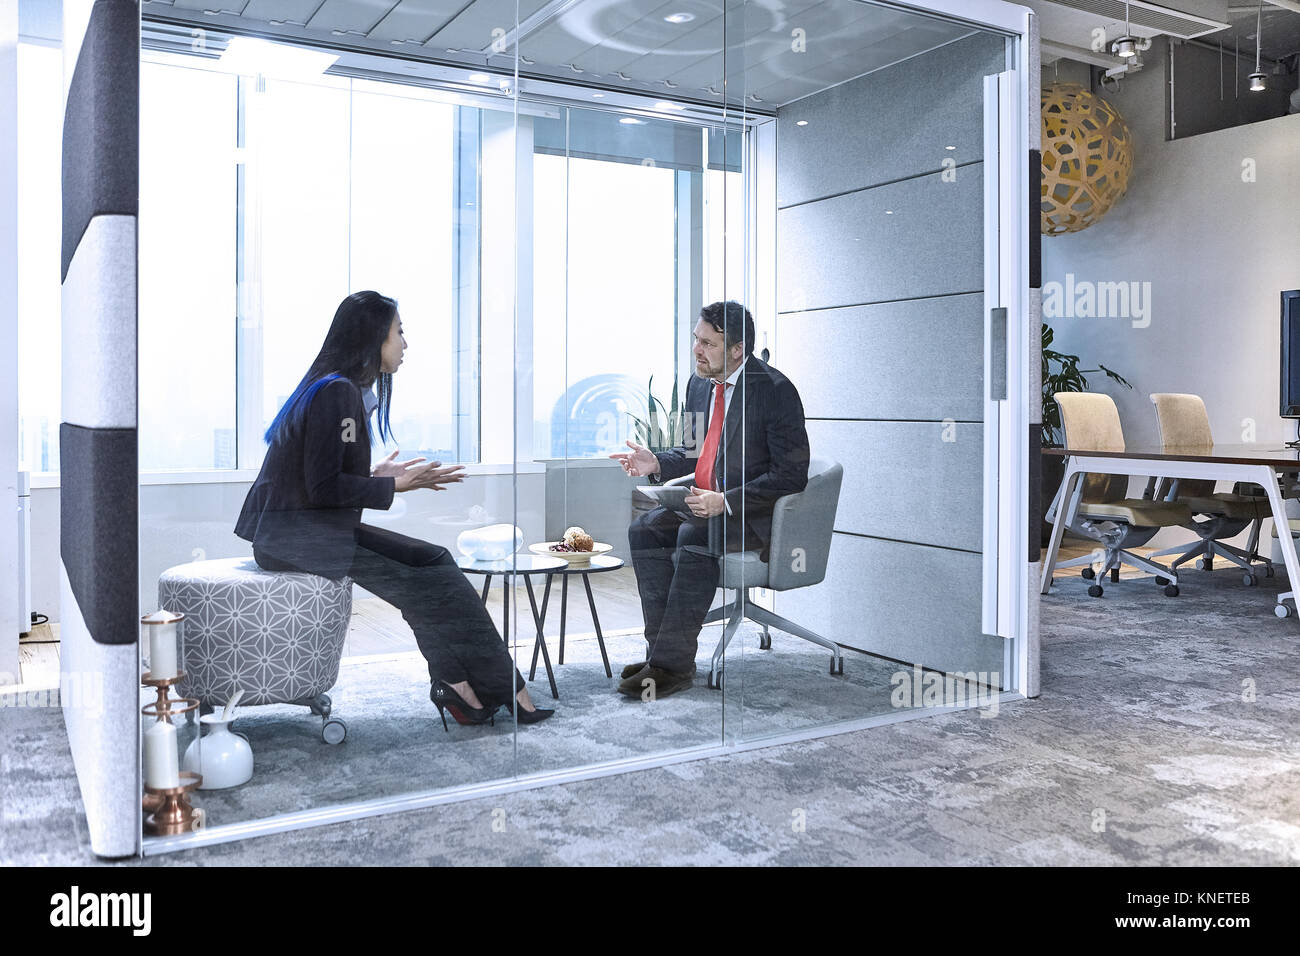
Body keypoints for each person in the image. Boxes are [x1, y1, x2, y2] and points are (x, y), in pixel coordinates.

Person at [234, 291, 553, 729]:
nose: (405, 343)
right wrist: (392, 483)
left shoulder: (338, 389)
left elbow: (319, 476)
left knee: (433, 565)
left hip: (298, 533)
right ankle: (505, 690)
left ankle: (460, 689)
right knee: (430, 576)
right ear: (372, 338)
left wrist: (373, 472)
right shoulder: (338, 392)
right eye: (398, 332)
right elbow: (324, 488)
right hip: (300, 539)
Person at [609, 301, 810, 699]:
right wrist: (655, 462)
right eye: (696, 341)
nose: (697, 351)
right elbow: (690, 452)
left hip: (750, 513)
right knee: (644, 530)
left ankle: (673, 666)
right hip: (703, 504)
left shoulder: (775, 391)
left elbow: (791, 475)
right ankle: (659, 655)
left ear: (737, 349)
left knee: (693, 534)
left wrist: (727, 501)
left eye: (707, 344)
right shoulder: (698, 384)